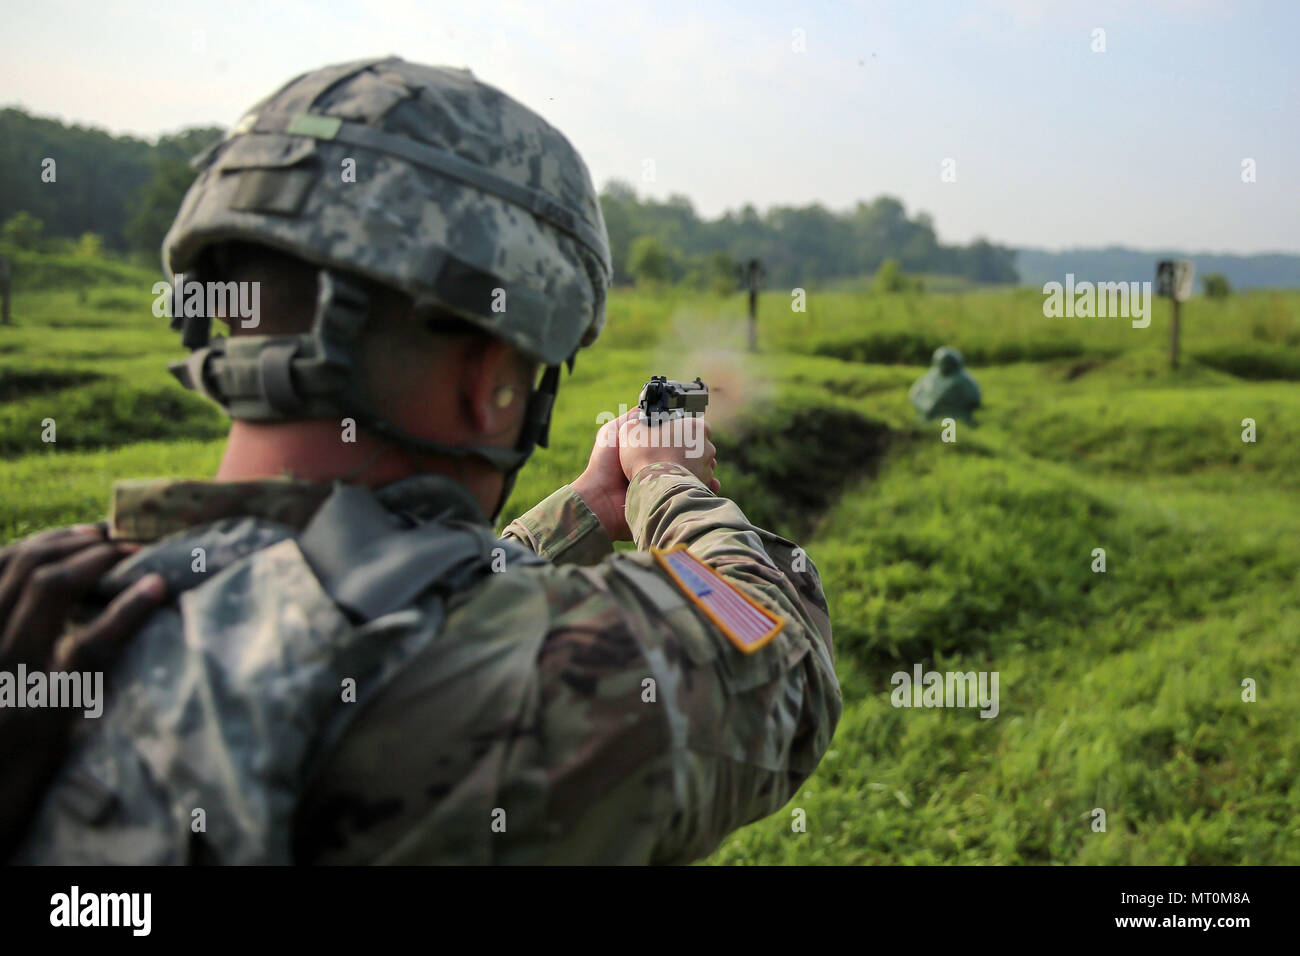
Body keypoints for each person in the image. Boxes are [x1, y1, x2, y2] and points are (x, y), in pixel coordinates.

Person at [3, 57, 840, 864]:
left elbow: (398, 584)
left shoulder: (55, 605)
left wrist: (587, 506)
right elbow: (779, 652)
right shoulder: (505, 696)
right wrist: (668, 482)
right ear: (489, 383)